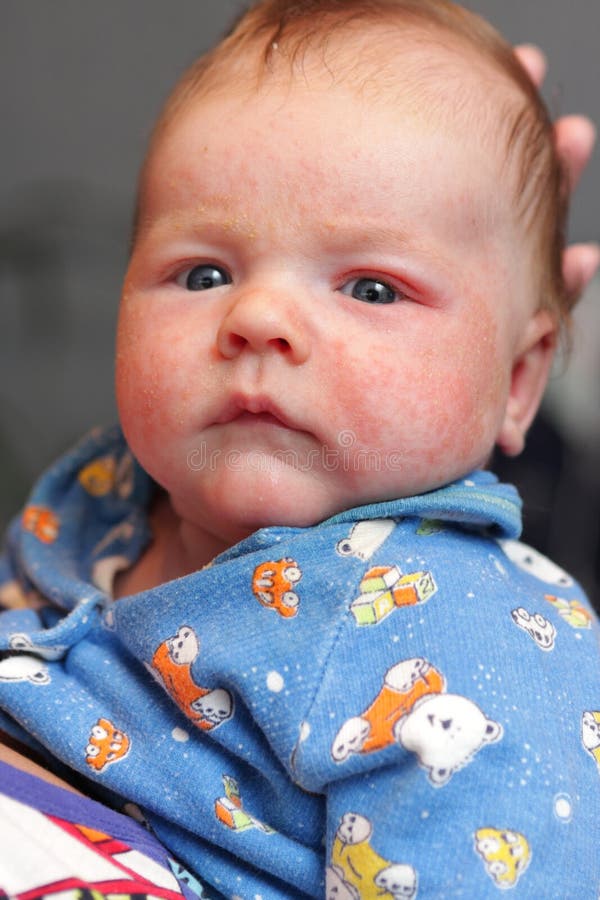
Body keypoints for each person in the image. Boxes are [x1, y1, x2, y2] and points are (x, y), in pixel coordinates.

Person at [0, 1, 598, 897]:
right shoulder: (104, 490)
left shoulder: (477, 650)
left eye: (371, 287)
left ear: (517, 382)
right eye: (204, 274)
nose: (259, 318)